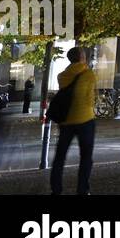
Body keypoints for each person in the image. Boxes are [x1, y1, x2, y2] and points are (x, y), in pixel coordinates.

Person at [50, 47, 97, 195]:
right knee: (86, 157)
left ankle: (56, 190)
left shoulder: (62, 76)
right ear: (82, 57)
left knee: (60, 157)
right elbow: (90, 99)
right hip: (86, 119)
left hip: (66, 121)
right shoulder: (88, 74)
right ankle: (82, 190)